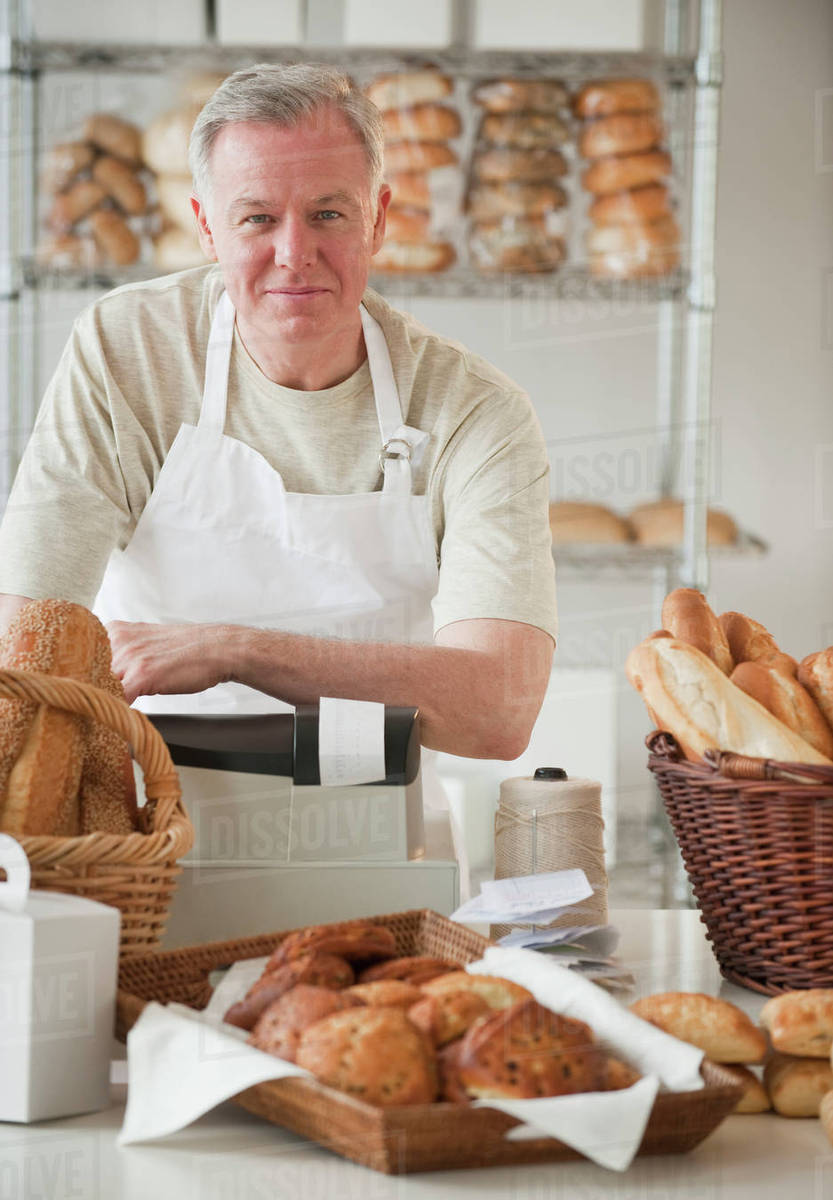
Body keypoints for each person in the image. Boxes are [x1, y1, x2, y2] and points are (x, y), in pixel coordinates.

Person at [0, 63, 556, 765]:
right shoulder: (126, 352)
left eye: (327, 214)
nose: (294, 254)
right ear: (207, 228)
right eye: (257, 218)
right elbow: (26, 643)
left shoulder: (475, 412)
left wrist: (234, 650)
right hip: (142, 805)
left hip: (369, 809)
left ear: (377, 219)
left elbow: (499, 709)